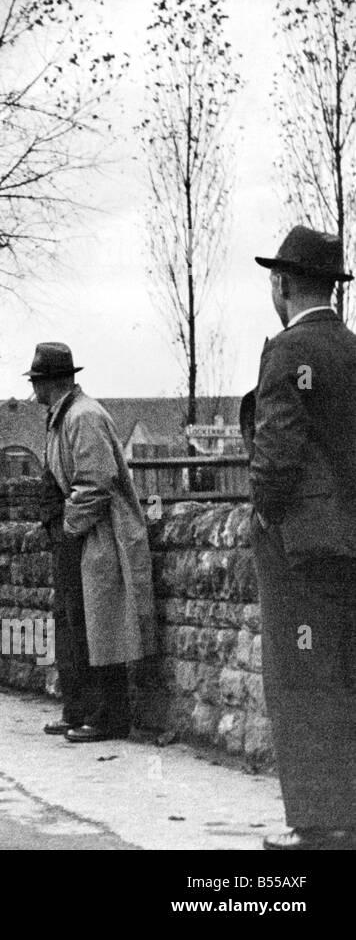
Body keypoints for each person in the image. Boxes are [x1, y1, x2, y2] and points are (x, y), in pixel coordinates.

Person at [249, 225, 356, 851]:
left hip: (302, 551)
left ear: (282, 284)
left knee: (303, 679)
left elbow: (276, 457)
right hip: (349, 545)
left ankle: (320, 825)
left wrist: (262, 512)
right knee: (344, 676)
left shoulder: (287, 354)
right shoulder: (350, 348)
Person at [30, 342, 156, 743]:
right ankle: (80, 709)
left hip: (100, 534)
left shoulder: (83, 417)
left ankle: (109, 718)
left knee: (101, 624)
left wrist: (68, 526)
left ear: (53, 382)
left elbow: (95, 484)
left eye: (37, 381)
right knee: (73, 624)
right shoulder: (61, 417)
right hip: (79, 533)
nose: (34, 389)